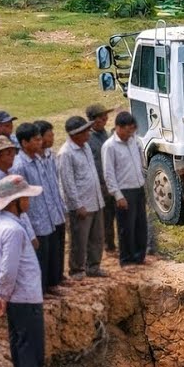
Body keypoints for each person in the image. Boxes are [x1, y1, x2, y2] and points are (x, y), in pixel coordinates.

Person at [0, 175, 56, 367]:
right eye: (25, 198)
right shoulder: (14, 230)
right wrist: (2, 294)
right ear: (14, 202)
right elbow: (9, 269)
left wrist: (0, 292)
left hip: (15, 295)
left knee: (19, 340)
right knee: (30, 343)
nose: (29, 201)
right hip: (24, 295)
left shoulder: (0, 223)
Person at [14, 123, 68, 295]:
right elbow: (20, 200)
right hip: (35, 218)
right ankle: (41, 290)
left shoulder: (38, 159)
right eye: (36, 140)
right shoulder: (20, 166)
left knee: (52, 252)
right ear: (24, 143)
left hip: (49, 214)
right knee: (40, 256)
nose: (40, 142)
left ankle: (52, 284)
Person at [58, 116, 107, 280]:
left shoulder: (85, 146)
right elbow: (67, 182)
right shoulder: (66, 153)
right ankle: (77, 270)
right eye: (85, 130)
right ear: (75, 134)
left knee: (97, 237)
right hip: (81, 205)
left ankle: (93, 267)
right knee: (79, 240)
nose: (89, 133)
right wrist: (77, 205)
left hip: (95, 200)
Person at [101, 112, 149, 266]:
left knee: (140, 225)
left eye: (132, 131)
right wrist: (117, 195)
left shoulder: (134, 141)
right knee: (126, 227)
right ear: (118, 128)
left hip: (138, 188)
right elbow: (109, 173)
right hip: (124, 191)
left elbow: (140, 163)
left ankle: (139, 256)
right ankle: (127, 260)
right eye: (128, 131)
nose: (130, 134)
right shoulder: (110, 146)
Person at [85, 104, 118, 254]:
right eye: (102, 116)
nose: (105, 118)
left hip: (111, 182)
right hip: (100, 184)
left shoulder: (104, 134)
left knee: (114, 213)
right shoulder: (89, 139)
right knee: (105, 217)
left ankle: (111, 243)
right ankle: (107, 245)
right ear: (93, 120)